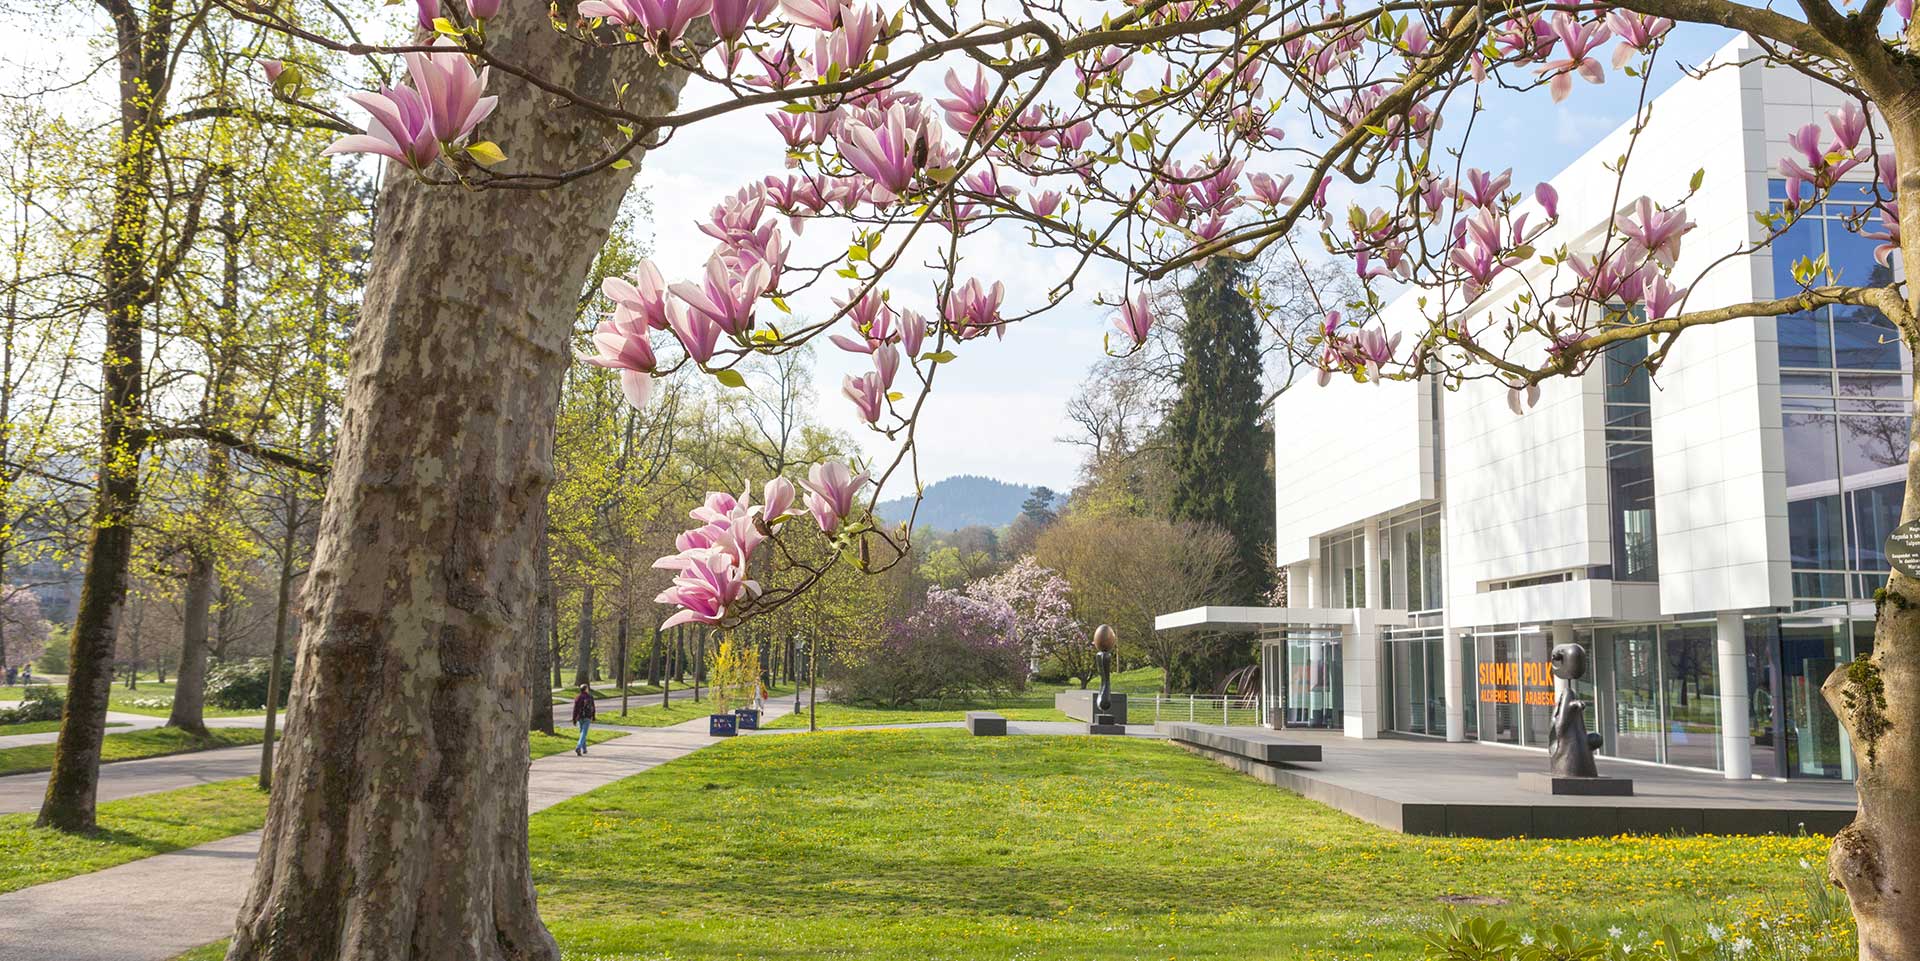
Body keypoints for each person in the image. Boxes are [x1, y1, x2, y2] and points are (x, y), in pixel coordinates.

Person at [570, 684, 597, 756]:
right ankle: (578, 747)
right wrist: (593, 716)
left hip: (579, 717)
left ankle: (584, 749)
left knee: (582, 732)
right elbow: (593, 708)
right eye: (587, 688)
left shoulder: (578, 697)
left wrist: (574, 719)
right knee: (584, 733)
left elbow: (575, 709)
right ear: (586, 689)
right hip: (587, 717)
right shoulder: (590, 697)